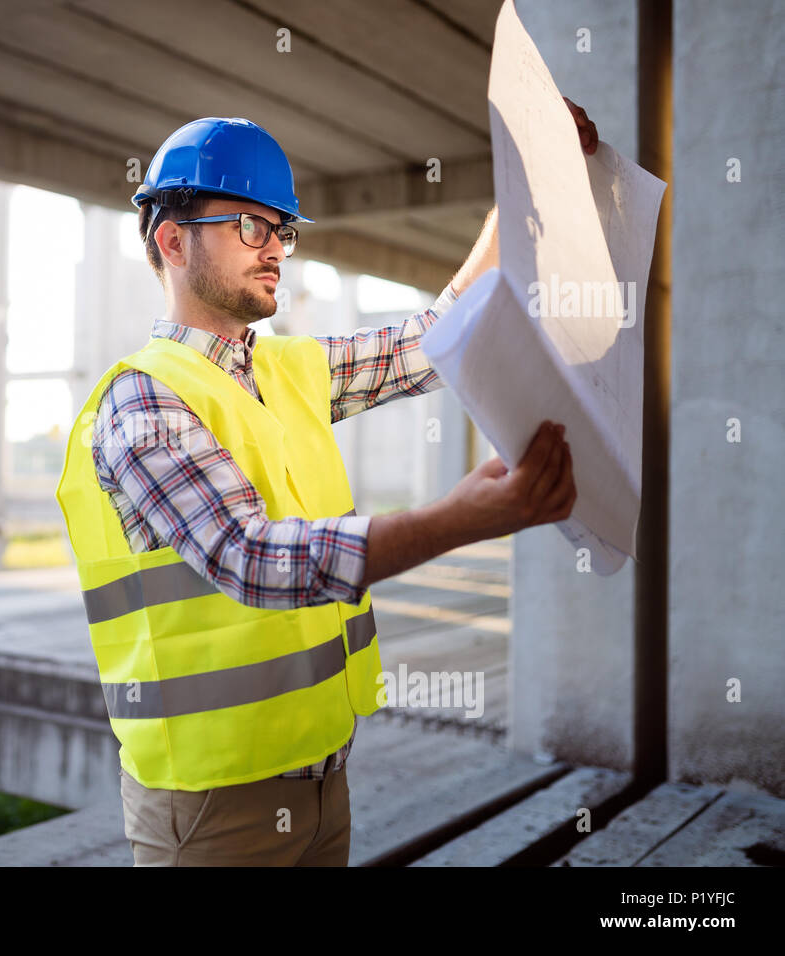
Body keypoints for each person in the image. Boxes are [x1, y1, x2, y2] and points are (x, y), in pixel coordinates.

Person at [55, 103, 596, 867]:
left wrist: (526, 191)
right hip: (214, 808)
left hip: (325, 776)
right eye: (250, 225)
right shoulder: (140, 400)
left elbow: (437, 340)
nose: (275, 246)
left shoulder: (287, 369)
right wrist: (462, 519)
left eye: (282, 228)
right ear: (172, 240)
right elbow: (250, 559)